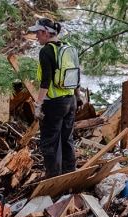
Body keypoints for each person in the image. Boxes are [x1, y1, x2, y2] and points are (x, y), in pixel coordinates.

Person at [29, 17, 78, 179]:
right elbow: (74, 74)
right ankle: (69, 174)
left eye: (38, 33)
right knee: (66, 139)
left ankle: (53, 178)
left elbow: (46, 79)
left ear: (45, 32)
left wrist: (39, 103)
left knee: (50, 142)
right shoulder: (67, 47)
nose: (36, 37)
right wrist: (77, 97)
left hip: (54, 104)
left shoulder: (46, 51)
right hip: (70, 101)